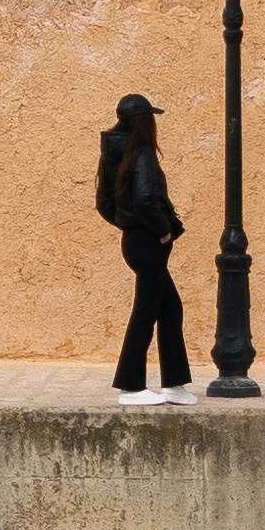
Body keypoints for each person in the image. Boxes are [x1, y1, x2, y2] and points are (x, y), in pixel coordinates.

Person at [96, 91, 190, 393]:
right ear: (144, 121)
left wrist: (127, 224)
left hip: (135, 242)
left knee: (170, 309)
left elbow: (104, 204)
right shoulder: (142, 152)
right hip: (149, 243)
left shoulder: (112, 153)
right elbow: (147, 197)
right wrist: (163, 230)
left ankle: (175, 386)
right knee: (146, 313)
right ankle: (130, 387)